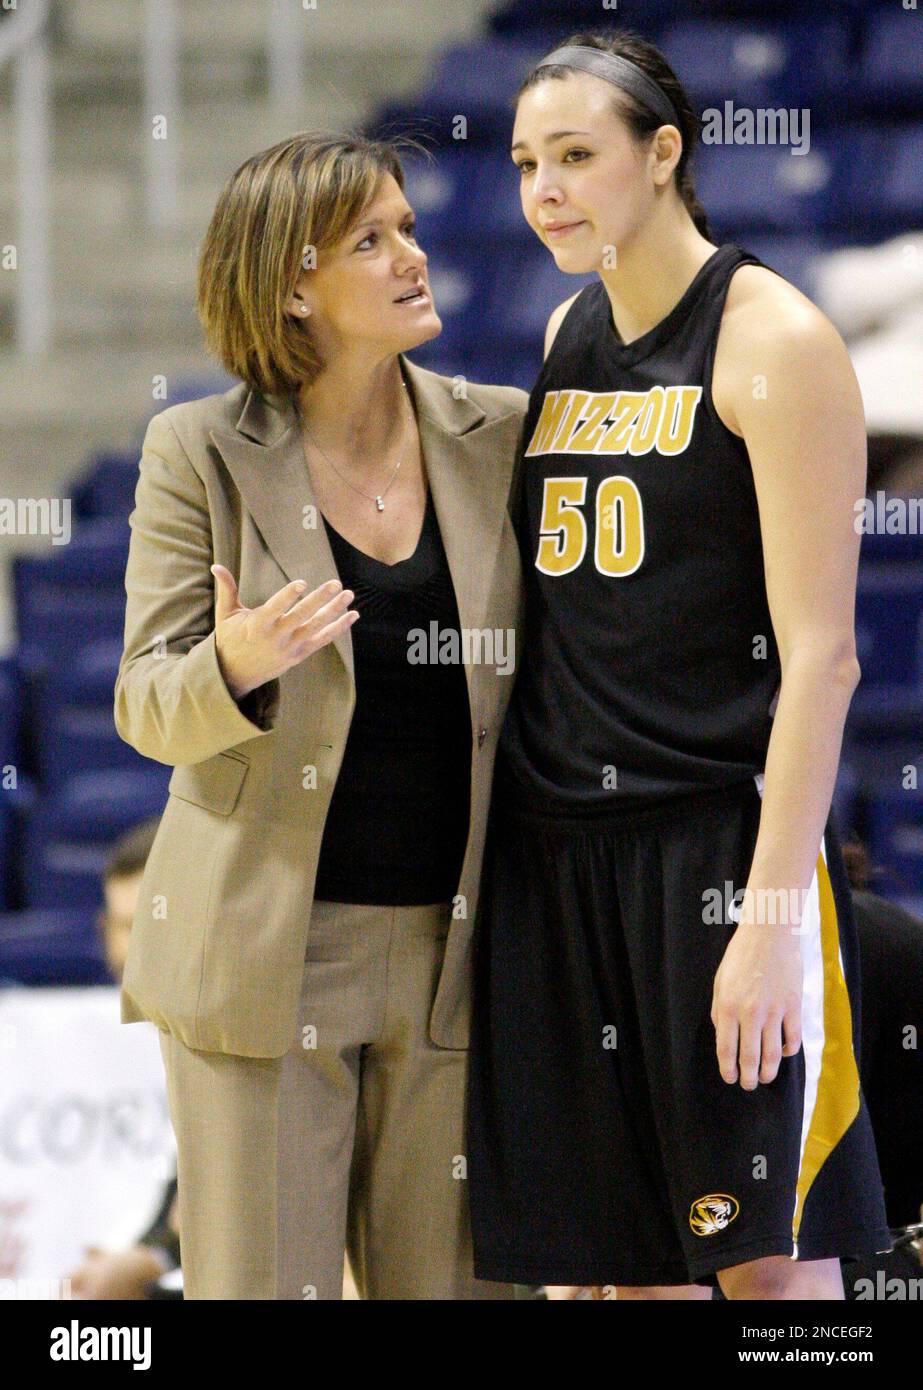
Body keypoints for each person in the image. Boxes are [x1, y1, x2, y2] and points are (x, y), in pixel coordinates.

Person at [466, 29, 891, 1301]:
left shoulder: (775, 338)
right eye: (525, 161)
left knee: (771, 1264)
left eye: (577, 156)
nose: (544, 188)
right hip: (557, 849)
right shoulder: (563, 328)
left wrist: (767, 920)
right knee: (617, 1272)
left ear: (664, 154)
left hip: (715, 849)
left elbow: (821, 659)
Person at [114, 132, 527, 1299]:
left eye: (406, 227)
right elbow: (147, 701)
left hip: (456, 947)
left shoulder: (496, 434)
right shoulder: (194, 451)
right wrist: (233, 664)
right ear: (292, 285)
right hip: (264, 956)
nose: (413, 254)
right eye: (370, 240)